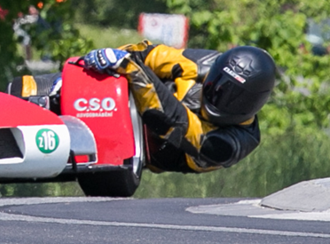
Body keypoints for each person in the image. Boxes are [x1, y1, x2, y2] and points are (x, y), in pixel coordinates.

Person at [82, 41, 276, 173]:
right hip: (120, 99)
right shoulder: (203, 63)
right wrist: (113, 56)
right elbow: (148, 53)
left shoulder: (235, 142)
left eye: (233, 97)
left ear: (254, 104)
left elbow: (175, 124)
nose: (218, 93)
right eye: (217, 82)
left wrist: (132, 68)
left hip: (142, 153)